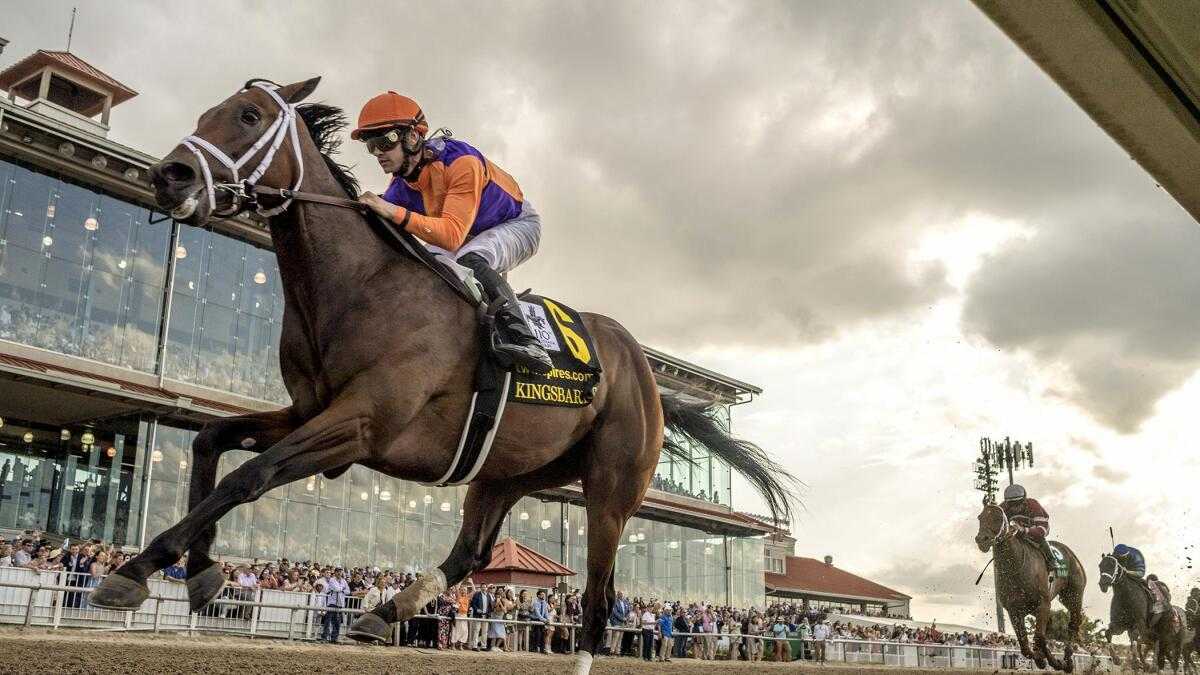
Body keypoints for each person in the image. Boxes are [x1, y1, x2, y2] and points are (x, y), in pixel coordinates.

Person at [353, 92, 553, 374]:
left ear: (412, 136)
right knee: (421, 264)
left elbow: (451, 237)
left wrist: (391, 210)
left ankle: (528, 341)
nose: (378, 153)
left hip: (516, 224)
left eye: (385, 141)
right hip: (469, 234)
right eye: (371, 145)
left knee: (471, 258)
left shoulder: (461, 161)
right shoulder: (401, 187)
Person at [1000, 484, 1055, 576]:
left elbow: (1042, 531)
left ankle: (1051, 560)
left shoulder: (1033, 505)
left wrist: (1024, 530)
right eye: (1011, 505)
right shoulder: (1003, 508)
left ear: (1024, 501)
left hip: (1037, 528)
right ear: (1006, 503)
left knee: (1039, 539)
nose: (1015, 508)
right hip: (1016, 530)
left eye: (1018, 504)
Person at [1112, 543, 1171, 616]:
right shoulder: (1116, 554)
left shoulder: (1137, 556)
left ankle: (1158, 606)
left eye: (1122, 557)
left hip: (1135, 573)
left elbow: (1141, 573)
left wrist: (1127, 571)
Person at [320, 568, 350, 643]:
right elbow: (336, 589)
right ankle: (324, 637)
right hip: (332, 603)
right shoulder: (332, 580)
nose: (339, 573)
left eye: (340, 571)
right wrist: (342, 589)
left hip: (340, 604)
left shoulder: (344, 581)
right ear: (335, 572)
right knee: (328, 621)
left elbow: (348, 591)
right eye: (338, 571)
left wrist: (341, 589)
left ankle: (334, 638)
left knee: (337, 622)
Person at [469, 583, 493, 650]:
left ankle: (483, 646)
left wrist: (489, 613)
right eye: (482, 587)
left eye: (485, 587)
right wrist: (477, 609)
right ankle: (474, 646)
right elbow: (473, 604)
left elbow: (490, 606)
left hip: (485, 616)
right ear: (480, 588)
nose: (484, 588)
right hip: (478, 615)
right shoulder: (477, 594)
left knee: (485, 632)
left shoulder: (488, 595)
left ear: (486, 588)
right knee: (476, 630)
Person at [530, 589, 550, 653]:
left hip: (542, 620)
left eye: (544, 595)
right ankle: (535, 647)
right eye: (542, 595)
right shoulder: (535, 602)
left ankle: (542, 648)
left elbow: (546, 612)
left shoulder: (545, 603)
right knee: (537, 634)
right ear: (538, 596)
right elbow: (537, 614)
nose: (543, 596)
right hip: (535, 619)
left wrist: (547, 619)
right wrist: (545, 620)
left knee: (543, 634)